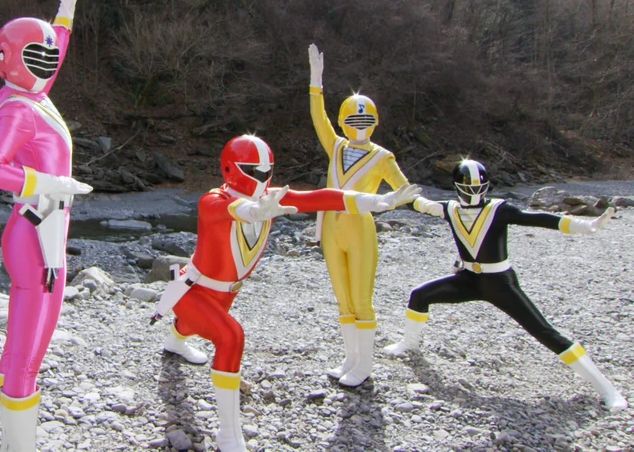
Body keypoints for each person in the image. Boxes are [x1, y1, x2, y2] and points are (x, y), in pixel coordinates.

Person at [152, 134, 420, 452]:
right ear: (229, 169)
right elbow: (238, 210)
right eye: (254, 170)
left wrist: (376, 202)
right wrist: (257, 211)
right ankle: (229, 436)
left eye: (267, 171)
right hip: (193, 289)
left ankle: (175, 340)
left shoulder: (272, 198)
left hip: (225, 293)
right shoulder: (212, 201)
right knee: (230, 336)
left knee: (192, 325)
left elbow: (321, 198)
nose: (262, 177)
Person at [384, 159, 627, 412]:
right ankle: (409, 343)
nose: (474, 193)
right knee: (419, 295)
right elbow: (421, 205)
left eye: (478, 188)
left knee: (545, 332)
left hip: (500, 283)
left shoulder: (498, 209)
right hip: (469, 279)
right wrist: (397, 194)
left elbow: (540, 219)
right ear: (457, 187)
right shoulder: (450, 209)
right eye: (469, 188)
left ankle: (607, 389)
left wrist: (586, 225)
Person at [0, 0, 92, 452]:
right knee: (27, 353)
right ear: (9, 58)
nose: (47, 64)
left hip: (49, 231)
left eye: (47, 57)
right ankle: (17, 439)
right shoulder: (20, 111)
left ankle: (14, 427)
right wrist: (47, 181)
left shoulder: (33, 95)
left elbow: (51, 56)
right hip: (32, 231)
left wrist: (66, 12)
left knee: (34, 344)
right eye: (35, 56)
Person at [307, 43, 415, 386]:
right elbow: (319, 119)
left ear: (375, 122)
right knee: (342, 298)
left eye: (365, 119)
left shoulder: (382, 157)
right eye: (352, 119)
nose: (358, 125)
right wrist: (315, 81)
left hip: (360, 229)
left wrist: (397, 202)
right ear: (343, 121)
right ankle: (351, 358)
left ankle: (365, 365)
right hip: (330, 229)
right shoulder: (336, 146)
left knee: (361, 299)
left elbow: (403, 191)